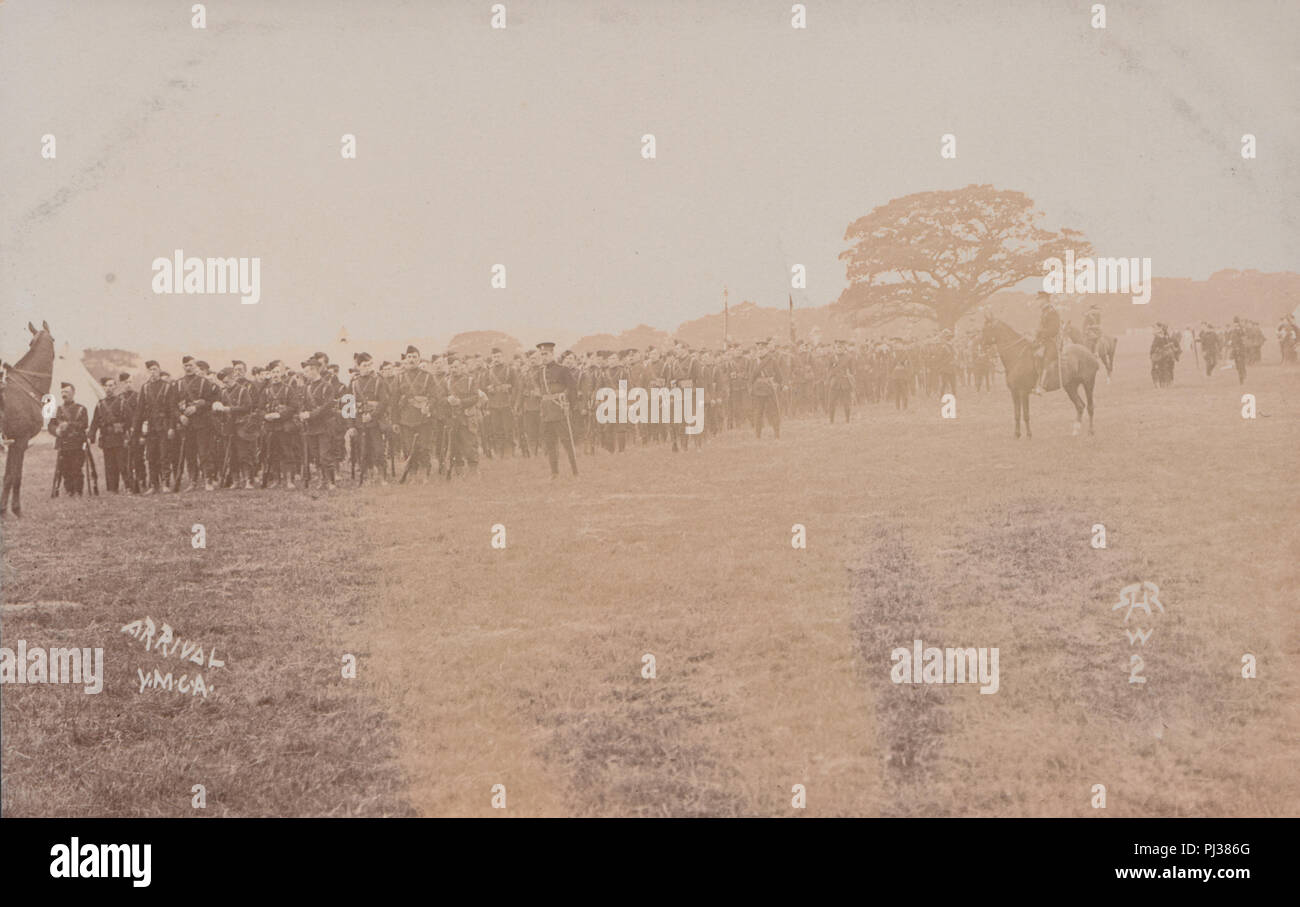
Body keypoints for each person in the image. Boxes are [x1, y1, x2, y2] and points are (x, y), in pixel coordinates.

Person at [535, 342, 578, 478]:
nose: (544, 357)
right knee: (550, 442)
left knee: (567, 442)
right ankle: (554, 472)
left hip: (560, 409)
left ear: (552, 354)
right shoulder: (539, 372)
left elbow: (572, 388)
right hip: (547, 412)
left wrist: (567, 400)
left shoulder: (562, 370)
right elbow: (540, 391)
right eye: (541, 355)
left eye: (546, 354)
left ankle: (575, 471)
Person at [49, 381, 89, 496]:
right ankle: (69, 490)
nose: (64, 394)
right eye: (62, 392)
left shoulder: (81, 409)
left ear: (73, 393)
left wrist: (69, 425)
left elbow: (84, 424)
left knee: (76, 467)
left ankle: (78, 490)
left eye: (66, 391)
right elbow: (51, 425)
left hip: (77, 442)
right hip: (64, 442)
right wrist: (56, 430)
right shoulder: (58, 410)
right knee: (64, 468)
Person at [1032, 292, 1060, 394]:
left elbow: (1054, 329)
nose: (1038, 302)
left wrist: (1041, 333)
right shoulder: (1044, 312)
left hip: (1051, 342)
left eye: (1040, 299)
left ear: (1045, 300)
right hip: (1042, 341)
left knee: (1046, 360)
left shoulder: (1051, 312)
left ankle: (1042, 386)